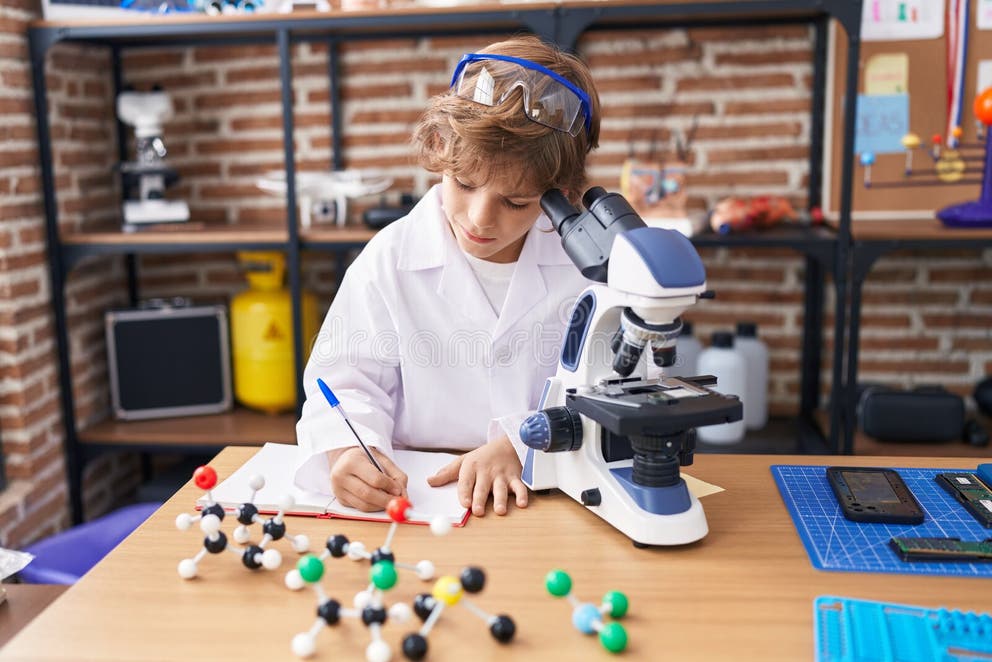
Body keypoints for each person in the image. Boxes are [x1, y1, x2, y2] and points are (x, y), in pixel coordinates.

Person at [294, 35, 601, 517]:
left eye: (516, 202)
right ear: (440, 151)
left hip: (548, 496)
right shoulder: (389, 259)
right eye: (464, 183)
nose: (480, 219)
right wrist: (350, 449)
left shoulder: (587, 271)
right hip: (420, 499)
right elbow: (346, 383)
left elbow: (614, 393)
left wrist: (524, 444)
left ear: (560, 195)